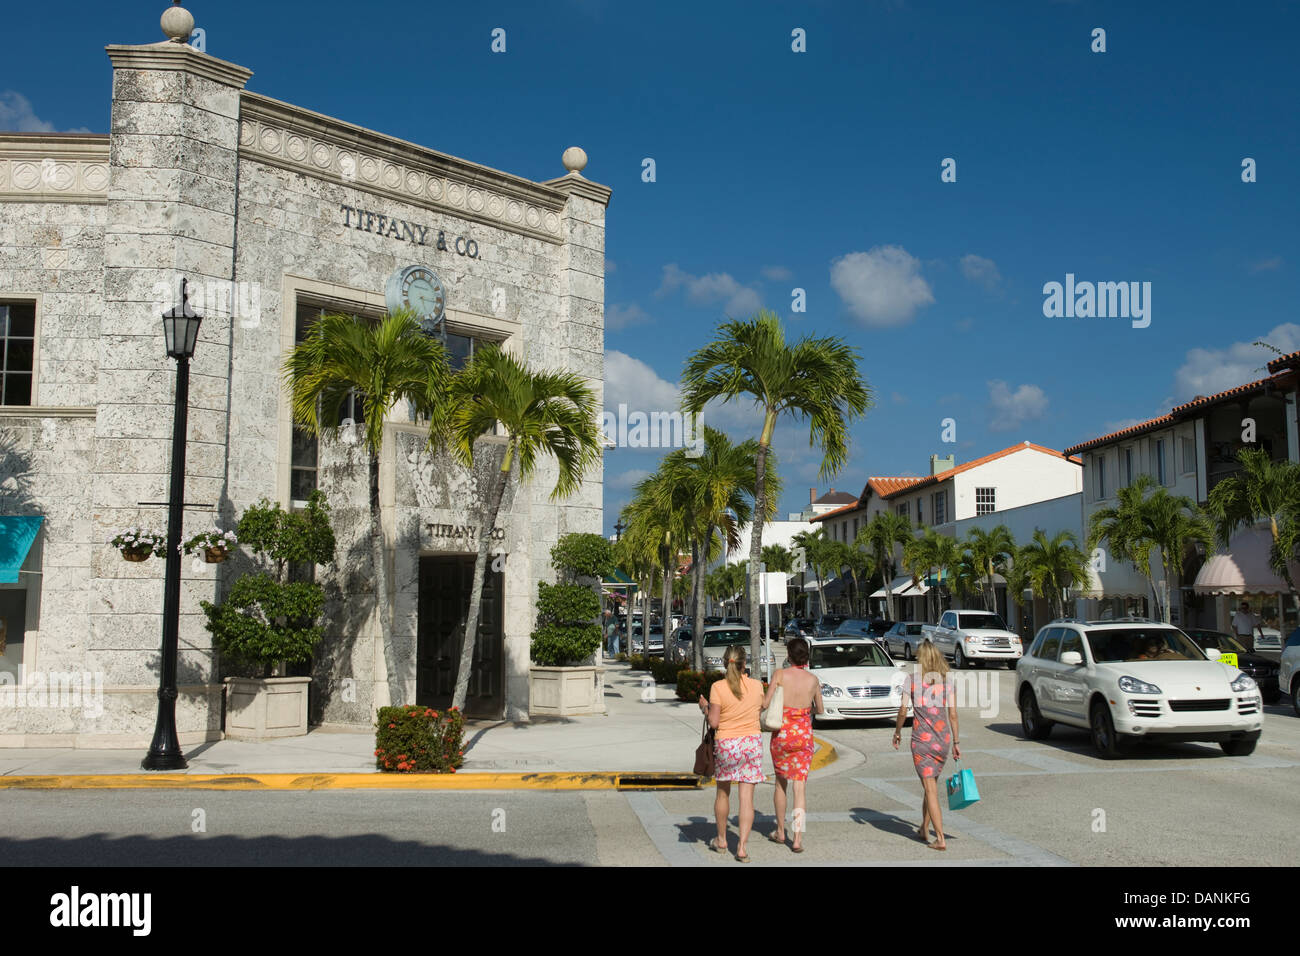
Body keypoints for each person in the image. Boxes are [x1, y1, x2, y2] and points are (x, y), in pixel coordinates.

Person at [698, 644, 764, 861]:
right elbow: (759, 708)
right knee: (747, 798)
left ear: (725, 663)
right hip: (751, 744)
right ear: (745, 664)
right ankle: (743, 847)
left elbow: (714, 721)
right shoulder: (757, 686)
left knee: (722, 792)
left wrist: (705, 708)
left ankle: (721, 839)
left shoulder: (718, 687)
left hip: (727, 744)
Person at [893, 638, 959, 851]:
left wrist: (897, 731)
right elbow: (953, 715)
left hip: (922, 742)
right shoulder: (947, 682)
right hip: (943, 742)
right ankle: (924, 827)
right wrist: (956, 742)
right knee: (929, 786)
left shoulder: (911, 681)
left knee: (930, 789)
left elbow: (903, 710)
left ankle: (939, 838)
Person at [762, 636, 822, 852]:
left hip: (782, 735)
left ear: (788, 654)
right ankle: (797, 838)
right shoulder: (813, 679)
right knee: (800, 787)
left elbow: (766, 703)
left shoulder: (780, 675)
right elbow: (820, 709)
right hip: (803, 735)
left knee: (780, 784)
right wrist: (805, 711)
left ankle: (780, 830)